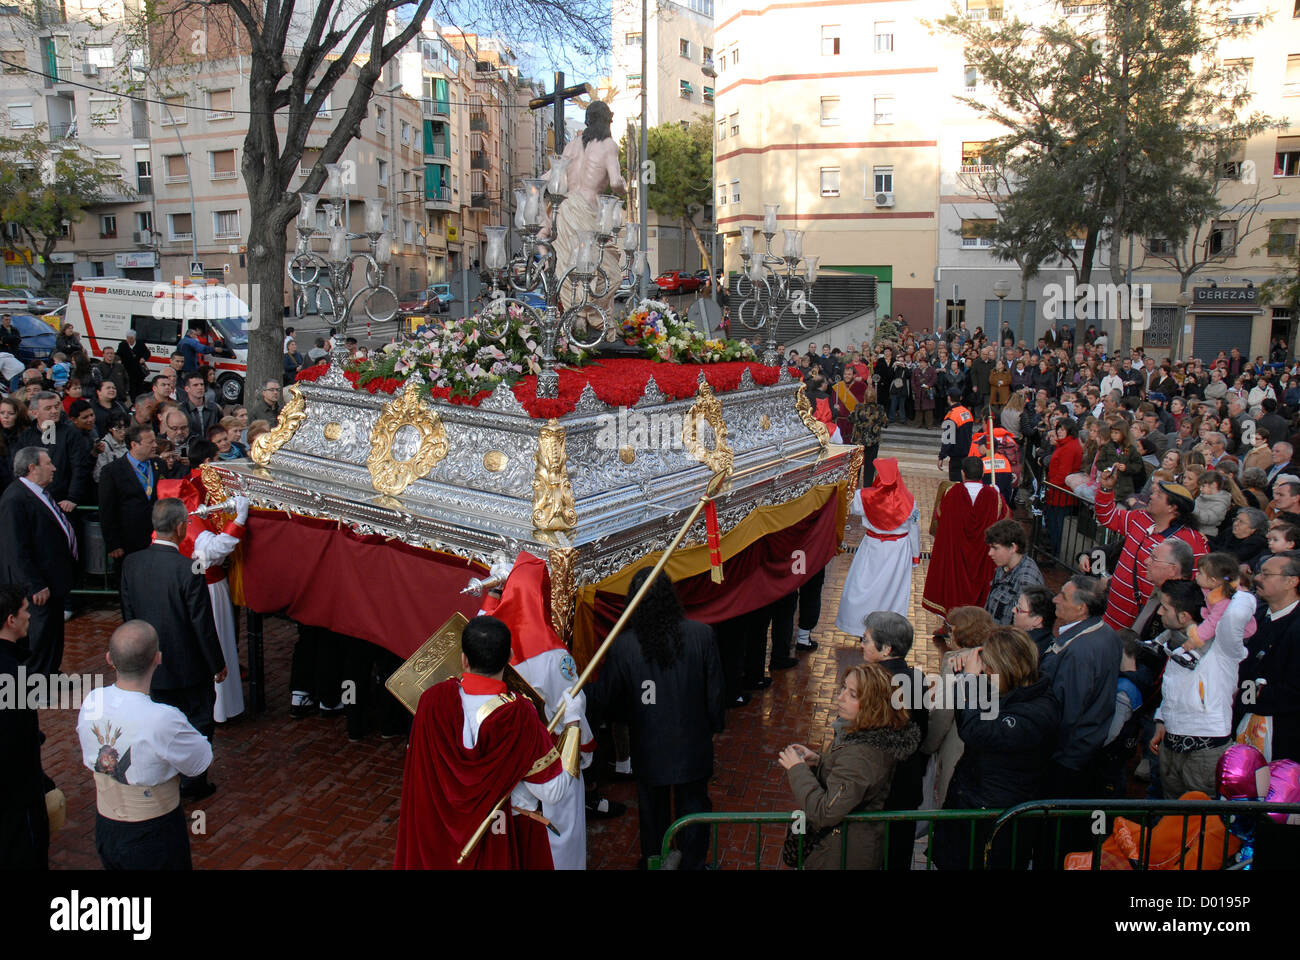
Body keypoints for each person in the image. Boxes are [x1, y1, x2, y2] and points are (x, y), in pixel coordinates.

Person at [395, 615, 577, 869]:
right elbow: (553, 791)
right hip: (500, 840)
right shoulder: (519, 715)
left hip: (438, 841)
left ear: (464, 659)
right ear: (510, 656)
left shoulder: (431, 702)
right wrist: (574, 725)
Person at [588, 570, 725, 869]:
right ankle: (693, 864)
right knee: (694, 809)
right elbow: (715, 694)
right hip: (693, 745)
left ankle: (656, 860)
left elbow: (606, 697)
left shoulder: (624, 646)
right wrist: (715, 726)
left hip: (649, 746)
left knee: (653, 813)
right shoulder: (701, 635)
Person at [75, 620, 213, 870]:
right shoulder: (163, 718)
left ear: (109, 658)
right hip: (153, 830)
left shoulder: (92, 700)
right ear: (157, 658)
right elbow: (199, 762)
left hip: (107, 826)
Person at [120, 499, 226, 802]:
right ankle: (194, 782)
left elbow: (129, 615)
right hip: (189, 666)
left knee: (156, 721)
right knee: (198, 722)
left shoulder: (132, 563)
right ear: (181, 527)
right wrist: (216, 663)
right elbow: (201, 623)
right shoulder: (188, 568)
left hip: (149, 665)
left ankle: (162, 775)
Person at [933, 627, 1060, 870]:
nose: (985, 672)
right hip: (972, 804)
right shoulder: (1014, 689)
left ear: (1005, 667)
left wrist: (970, 681)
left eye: (988, 667)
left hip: (994, 820)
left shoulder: (1035, 714)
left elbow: (976, 731)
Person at [777, 662, 919, 869]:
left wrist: (797, 770)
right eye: (843, 688)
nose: (841, 697)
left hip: (841, 853)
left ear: (873, 705)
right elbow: (848, 779)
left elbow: (826, 811)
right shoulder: (864, 736)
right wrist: (819, 760)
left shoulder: (862, 754)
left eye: (853, 695)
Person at [1149, 574, 1252, 798]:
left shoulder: (1224, 645)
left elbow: (1240, 608)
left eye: (1164, 608)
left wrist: (1224, 586)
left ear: (1184, 616)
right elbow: (1175, 687)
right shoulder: (1175, 641)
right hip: (1170, 743)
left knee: (1198, 822)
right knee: (1173, 820)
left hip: (1205, 751)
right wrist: (1162, 718)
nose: (1159, 613)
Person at [158, 476, 250, 725]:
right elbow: (212, 553)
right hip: (208, 587)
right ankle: (219, 707)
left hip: (181, 589)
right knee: (215, 639)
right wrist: (239, 521)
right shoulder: (190, 522)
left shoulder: (160, 523)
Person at [540, 101, 626, 332]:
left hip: (566, 209)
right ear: (608, 120)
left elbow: (551, 174)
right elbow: (616, 182)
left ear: (588, 121)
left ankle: (578, 316)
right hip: (588, 210)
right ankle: (589, 315)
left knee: (571, 269)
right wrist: (626, 188)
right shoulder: (608, 145)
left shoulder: (573, 145)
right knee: (609, 272)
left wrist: (532, 190)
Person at [858, 611, 929, 869]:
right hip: (907, 784)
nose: (861, 645)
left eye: (866, 640)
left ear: (886, 649)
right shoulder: (918, 680)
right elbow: (922, 731)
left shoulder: (869, 683)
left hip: (874, 787)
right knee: (898, 854)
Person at [1042, 576, 1121, 803]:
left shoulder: (1079, 651)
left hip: (1067, 755)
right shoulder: (1108, 634)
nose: (1055, 599)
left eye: (1063, 596)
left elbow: (1068, 710)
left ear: (1081, 608)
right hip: (1088, 747)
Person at [1094, 474, 1209, 630]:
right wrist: (1106, 489)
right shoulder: (1141, 518)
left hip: (1142, 621)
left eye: (1158, 495)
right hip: (1112, 611)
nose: (1151, 496)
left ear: (1172, 507)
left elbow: (1194, 584)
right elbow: (1107, 517)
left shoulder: (1192, 542)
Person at [0, 448, 77, 677]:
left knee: (52, 633)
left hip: (53, 579)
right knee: (40, 635)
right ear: (32, 468)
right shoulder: (15, 499)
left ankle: (50, 673)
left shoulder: (39, 492)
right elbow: (15, 549)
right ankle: (37, 682)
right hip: (38, 585)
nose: (53, 468)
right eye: (48, 463)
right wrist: (34, 584)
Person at [835, 458, 920, 629]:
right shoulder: (909, 501)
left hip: (872, 548)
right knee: (893, 591)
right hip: (898, 552)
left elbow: (846, 503)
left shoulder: (864, 497)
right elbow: (914, 531)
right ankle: (887, 629)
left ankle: (861, 626)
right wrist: (915, 556)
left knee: (864, 588)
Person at [922, 457, 1010, 618]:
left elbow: (940, 517)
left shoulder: (951, 493)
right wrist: (999, 495)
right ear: (983, 473)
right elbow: (1003, 518)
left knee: (953, 587)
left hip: (956, 554)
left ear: (963, 473)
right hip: (982, 556)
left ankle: (950, 623)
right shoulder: (993, 496)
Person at [0, 585, 48, 869]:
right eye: (24, 610)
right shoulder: (15, 678)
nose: (29, 615)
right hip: (16, 799)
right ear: (11, 620)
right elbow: (17, 742)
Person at [97, 424, 160, 561]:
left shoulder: (159, 465)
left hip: (157, 538)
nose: (155, 445)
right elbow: (106, 510)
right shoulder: (112, 471)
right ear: (134, 444)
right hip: (128, 542)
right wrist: (113, 544)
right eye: (150, 442)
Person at [984, 518, 1044, 625]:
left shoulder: (1026, 581)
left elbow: (1024, 627)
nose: (990, 553)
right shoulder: (1004, 567)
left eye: (995, 548)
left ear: (1013, 548)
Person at [938, 389, 975, 480]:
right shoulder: (967, 412)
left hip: (956, 456)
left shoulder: (951, 416)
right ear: (960, 398)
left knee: (956, 483)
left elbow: (948, 439)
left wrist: (941, 456)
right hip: (967, 452)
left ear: (949, 398)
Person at [178, 372, 222, 445]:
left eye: (202, 384)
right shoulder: (181, 409)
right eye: (195, 385)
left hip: (211, 448)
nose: (200, 387)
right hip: (190, 449)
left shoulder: (214, 408)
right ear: (187, 389)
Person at [1015, 584, 1057, 655]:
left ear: (1036, 620)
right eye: (1015, 605)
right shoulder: (1048, 641)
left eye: (1019, 609)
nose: (1013, 610)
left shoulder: (1023, 648)